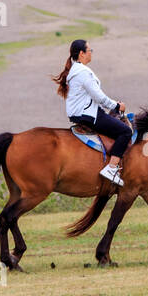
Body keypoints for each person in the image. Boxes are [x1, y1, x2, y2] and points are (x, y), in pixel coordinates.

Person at [52, 38, 130, 186]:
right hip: (89, 115)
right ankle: (112, 168)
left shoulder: (76, 70)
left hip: (85, 113)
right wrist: (117, 106)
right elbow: (98, 96)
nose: (91, 53)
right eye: (90, 50)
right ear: (82, 53)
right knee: (125, 131)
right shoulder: (82, 72)